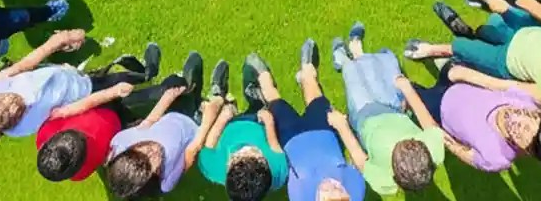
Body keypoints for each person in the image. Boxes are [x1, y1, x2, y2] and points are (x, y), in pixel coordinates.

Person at [0, 35, 163, 155]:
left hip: (69, 76)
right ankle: (149, 74)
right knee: (121, 87)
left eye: (4, 100)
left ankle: (143, 77)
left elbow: (23, 66)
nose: (13, 101)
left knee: (113, 81)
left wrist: (56, 42)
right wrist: (103, 96)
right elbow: (63, 113)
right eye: (14, 111)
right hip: (83, 93)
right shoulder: (22, 128)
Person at [36, 52, 205, 184]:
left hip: (104, 105)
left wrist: (112, 93)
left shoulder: (46, 132)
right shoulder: (79, 173)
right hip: (124, 127)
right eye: (83, 142)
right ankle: (189, 92)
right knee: (159, 99)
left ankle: (148, 72)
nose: (86, 136)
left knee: (141, 90)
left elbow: (80, 105)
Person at [404, 0, 541, 108]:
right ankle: (466, 32)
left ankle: (429, 49)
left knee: (462, 48)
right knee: (486, 29)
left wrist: (468, 76)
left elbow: (505, 86)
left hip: (502, 61)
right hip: (518, 31)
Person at [331, 21, 444, 195]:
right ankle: (357, 51)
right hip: (395, 109)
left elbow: (361, 160)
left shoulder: (383, 183)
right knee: (385, 65)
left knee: (354, 78)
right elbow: (428, 122)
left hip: (365, 118)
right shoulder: (434, 151)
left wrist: (342, 127)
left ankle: (343, 59)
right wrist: (407, 89)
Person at [103, 60, 233, 199]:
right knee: (212, 107)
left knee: (192, 76)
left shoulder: (123, 141)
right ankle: (218, 91)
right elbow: (191, 152)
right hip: (195, 125)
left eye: (143, 150)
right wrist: (207, 119)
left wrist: (168, 97)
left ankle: (194, 88)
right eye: (155, 165)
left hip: (173, 114)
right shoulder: (166, 182)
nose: (154, 150)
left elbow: (147, 123)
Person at [254, 40, 365, 201]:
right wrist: (342, 128)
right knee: (316, 99)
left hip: (291, 140)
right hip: (324, 135)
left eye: (326, 192)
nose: (331, 183)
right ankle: (307, 73)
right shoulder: (356, 190)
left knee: (276, 104)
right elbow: (358, 161)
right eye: (339, 188)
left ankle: (264, 80)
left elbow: (285, 170)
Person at [412, 61, 541, 171]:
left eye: (525, 136)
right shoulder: (527, 100)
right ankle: (436, 61)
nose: (520, 125)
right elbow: (493, 83)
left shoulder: (497, 159)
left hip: (441, 108)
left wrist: (435, 131)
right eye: (528, 122)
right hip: (460, 82)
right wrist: (462, 73)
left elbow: (461, 151)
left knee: (412, 93)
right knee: (450, 66)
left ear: (528, 151)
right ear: (538, 115)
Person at [195, 52, 288, 201]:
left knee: (212, 112)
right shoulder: (277, 172)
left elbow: (210, 142)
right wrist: (269, 122)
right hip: (257, 123)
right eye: (256, 155)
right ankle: (254, 95)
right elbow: (274, 146)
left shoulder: (212, 168)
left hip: (229, 127)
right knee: (258, 106)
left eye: (238, 157)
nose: (246, 149)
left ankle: (220, 94)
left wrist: (224, 118)